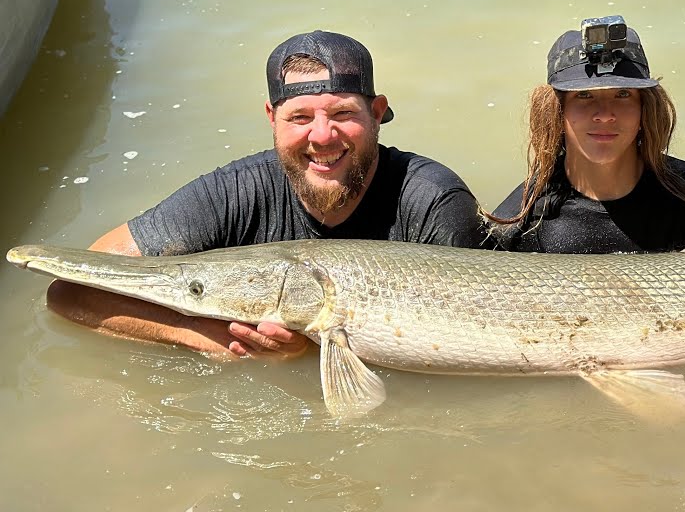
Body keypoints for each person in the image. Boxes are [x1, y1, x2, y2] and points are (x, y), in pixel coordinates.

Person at [47, 30, 487, 358]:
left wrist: (305, 347)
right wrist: (203, 334)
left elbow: (460, 347)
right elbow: (74, 290)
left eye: (342, 113)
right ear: (271, 118)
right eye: (299, 117)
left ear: (375, 114)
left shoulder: (434, 201)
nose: (322, 135)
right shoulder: (231, 193)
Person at [487, 18, 685, 253]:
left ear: (646, 109)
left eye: (622, 94)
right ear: (556, 112)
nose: (604, 114)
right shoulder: (519, 224)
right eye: (584, 95)